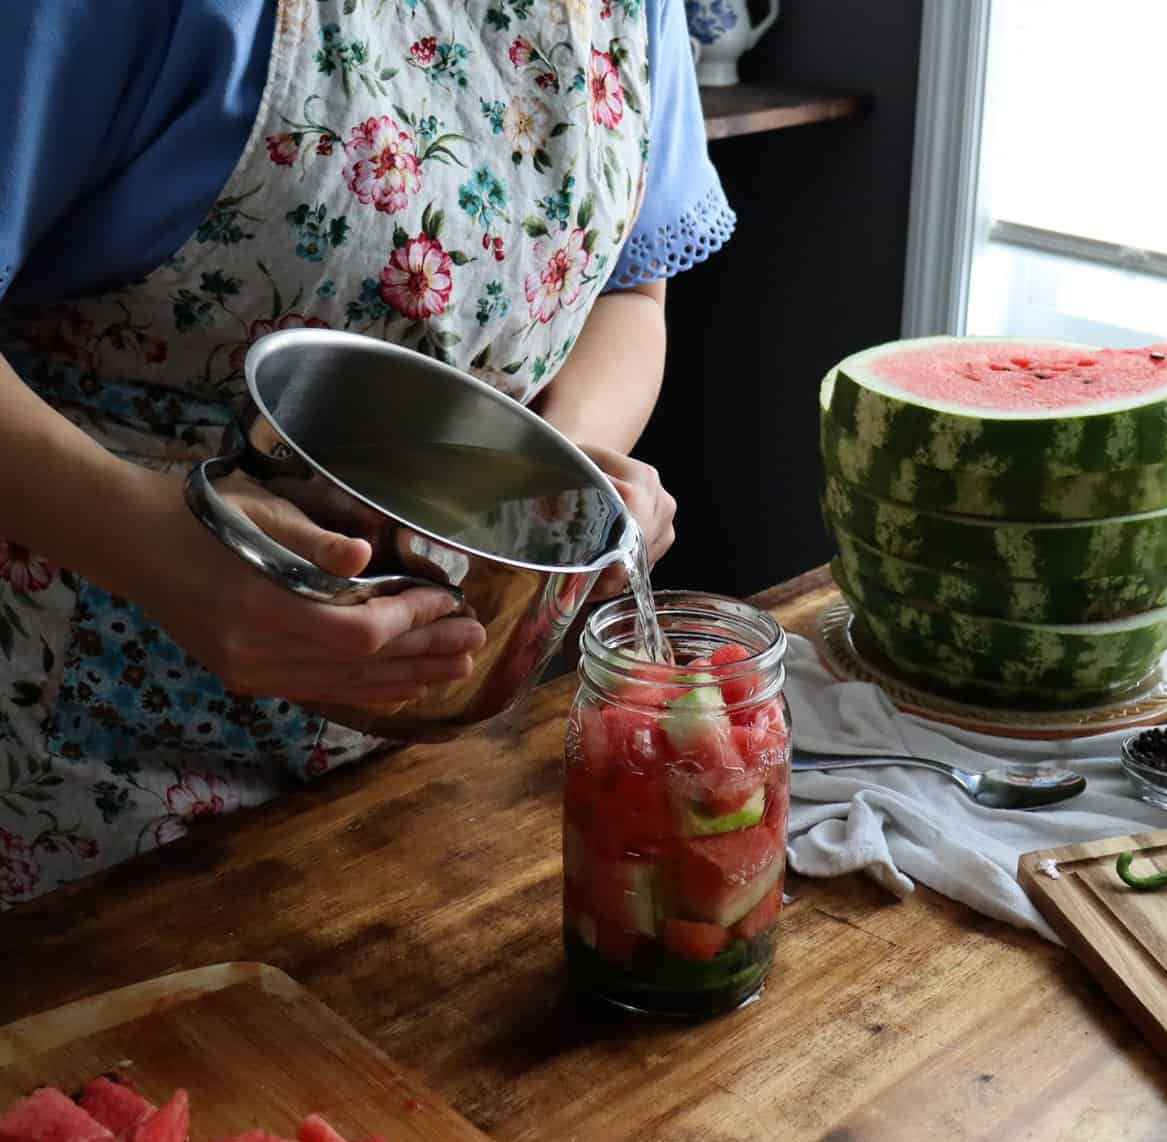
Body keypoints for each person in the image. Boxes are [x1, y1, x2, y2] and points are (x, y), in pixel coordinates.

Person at [0, 0, 735, 905]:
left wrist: (556, 477)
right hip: (68, 755)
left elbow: (630, 291)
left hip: (424, 766)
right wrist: (156, 553)